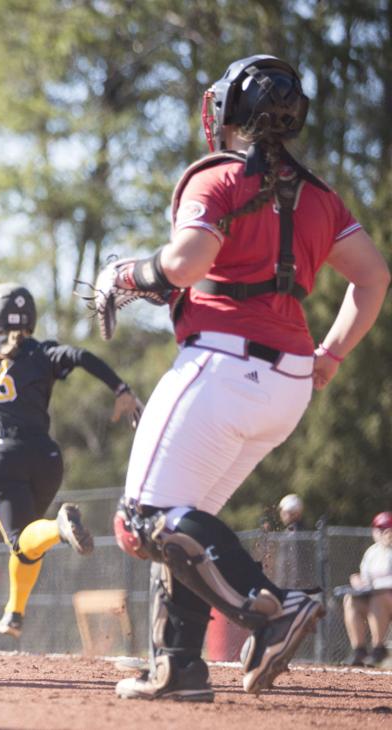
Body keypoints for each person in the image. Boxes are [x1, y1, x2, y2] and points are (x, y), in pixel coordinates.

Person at [103, 55, 389, 701]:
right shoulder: (319, 195)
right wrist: (334, 353)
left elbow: (185, 263)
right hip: (286, 384)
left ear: (228, 110)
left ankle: (272, 608)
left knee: (141, 518)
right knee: (185, 518)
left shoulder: (219, 176)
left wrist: (122, 275)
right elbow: (373, 276)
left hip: (221, 364)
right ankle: (180, 668)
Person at [0, 283, 142, 640]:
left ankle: (58, 528)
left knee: (24, 538)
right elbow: (82, 356)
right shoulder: (41, 351)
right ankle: (15, 611)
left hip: (0, 455)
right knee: (28, 541)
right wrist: (120, 389)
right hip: (46, 455)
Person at [342, 512, 392, 667]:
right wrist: (357, 580)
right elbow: (366, 578)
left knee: (378, 598)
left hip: (385, 598)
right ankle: (359, 650)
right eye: (379, 528)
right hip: (376, 598)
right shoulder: (372, 552)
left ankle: (378, 648)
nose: (383, 531)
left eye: (387, 527)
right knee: (351, 600)